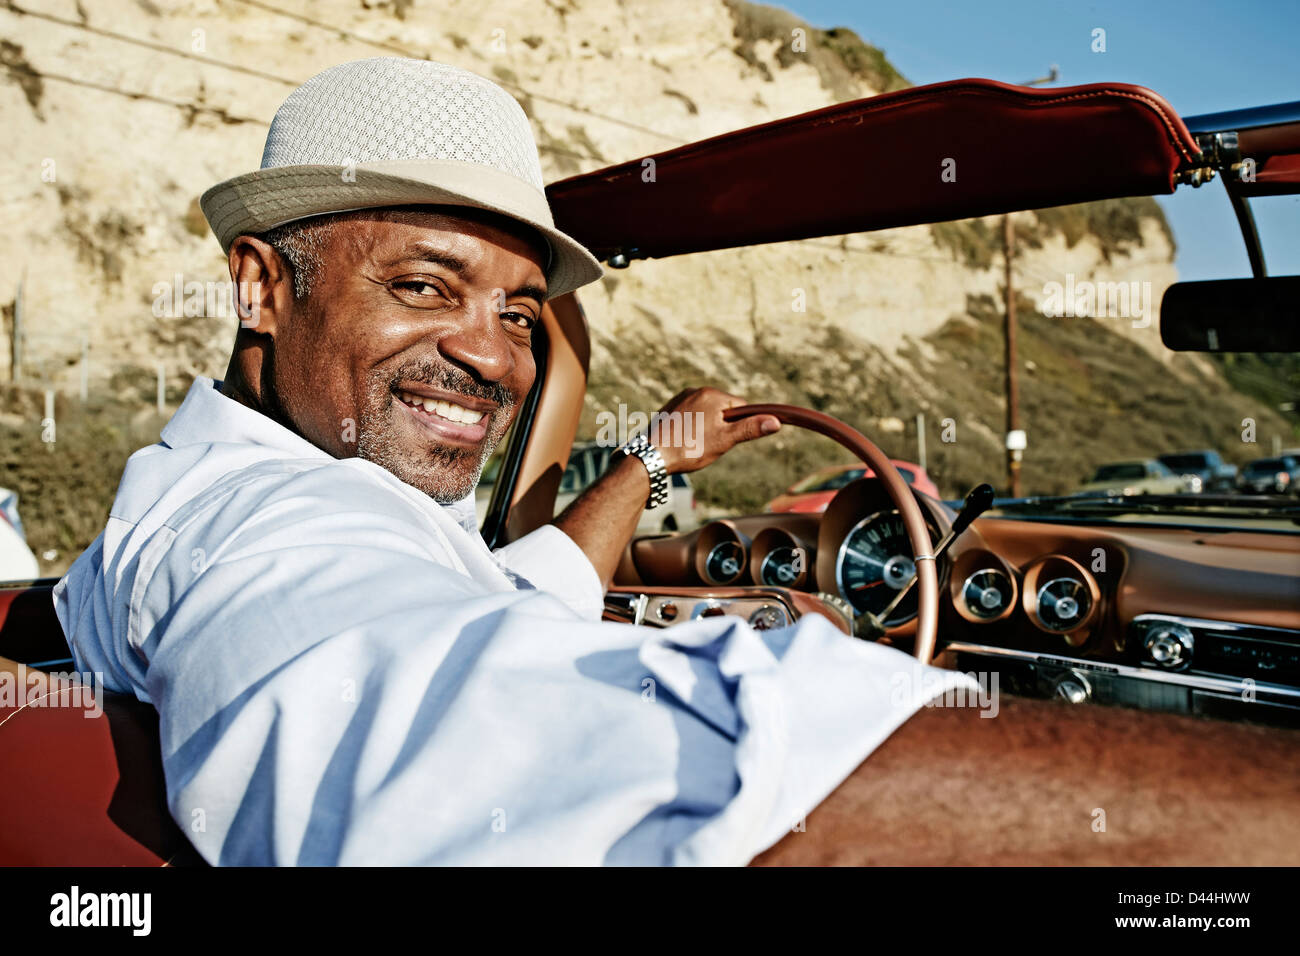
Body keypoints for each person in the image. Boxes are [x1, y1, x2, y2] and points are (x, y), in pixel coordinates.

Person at [54, 57, 973, 865]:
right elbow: (465, 744)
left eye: (521, 316)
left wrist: (651, 463)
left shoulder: (230, 491)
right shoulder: (262, 525)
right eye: (422, 286)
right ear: (262, 286)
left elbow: (491, 609)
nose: (495, 360)